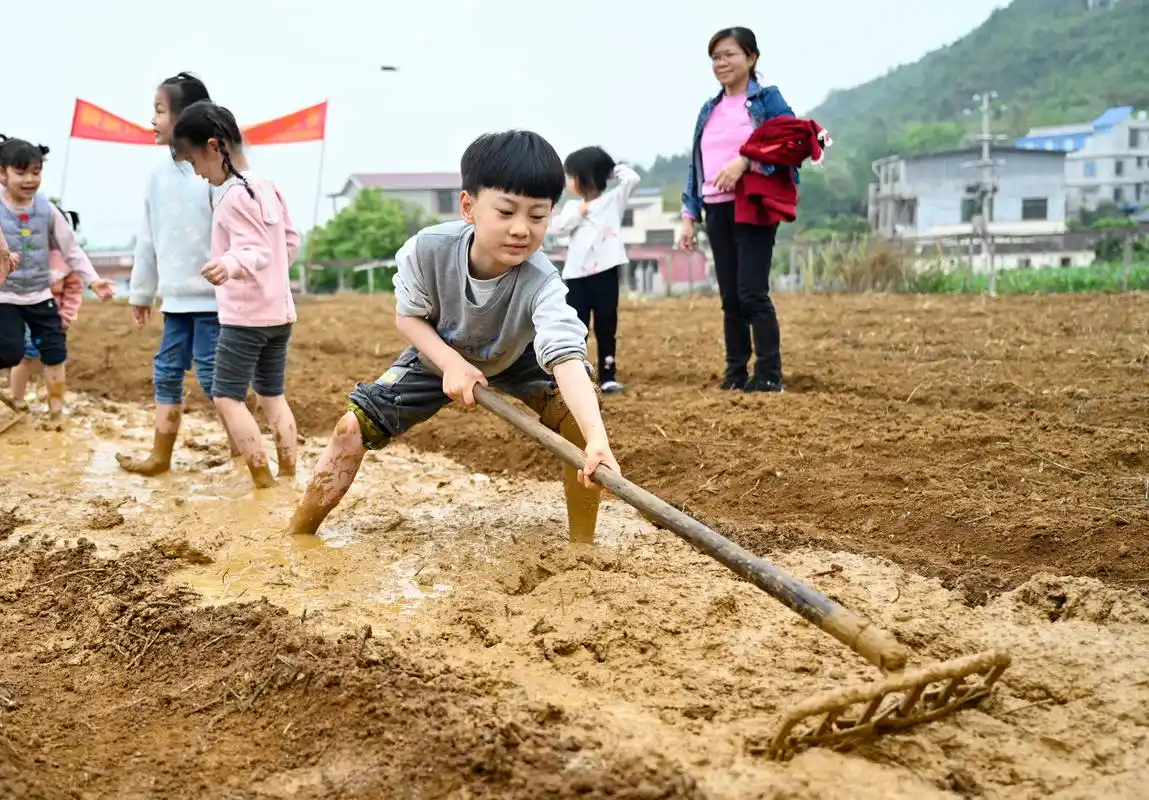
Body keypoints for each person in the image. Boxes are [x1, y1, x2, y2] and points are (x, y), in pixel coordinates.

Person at [285, 130, 620, 539]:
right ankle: (298, 537)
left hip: (519, 357)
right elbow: (408, 318)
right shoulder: (427, 251)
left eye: (537, 216)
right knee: (350, 429)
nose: (521, 229)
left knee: (577, 421)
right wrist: (451, 363)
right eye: (506, 212)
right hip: (439, 351)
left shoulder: (543, 282)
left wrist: (597, 439)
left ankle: (582, 547)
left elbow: (567, 356)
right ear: (468, 206)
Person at [171, 100, 300, 489]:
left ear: (213, 147)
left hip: (245, 319)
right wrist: (272, 277)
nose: (198, 175)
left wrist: (229, 265)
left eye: (194, 164)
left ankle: (262, 481)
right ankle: (290, 476)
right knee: (272, 396)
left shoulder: (231, 196)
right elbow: (287, 242)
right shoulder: (267, 186)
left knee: (227, 396)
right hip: (279, 314)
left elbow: (254, 250)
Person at [118, 72, 236, 477]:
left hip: (214, 302)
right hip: (176, 302)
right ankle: (160, 457)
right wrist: (141, 293)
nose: (152, 119)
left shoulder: (215, 175)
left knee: (213, 378)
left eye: (160, 110)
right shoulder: (156, 177)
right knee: (165, 373)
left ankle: (245, 452)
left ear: (188, 118)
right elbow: (148, 238)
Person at [678, 26, 794, 393]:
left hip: (753, 206)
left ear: (751, 58)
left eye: (729, 54)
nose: (722, 62)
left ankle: (769, 374)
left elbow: (791, 140)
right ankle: (735, 373)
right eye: (716, 57)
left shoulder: (767, 100)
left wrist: (745, 162)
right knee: (730, 297)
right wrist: (688, 216)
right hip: (715, 208)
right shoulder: (708, 109)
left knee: (751, 292)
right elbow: (696, 163)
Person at [0, 136, 114, 417]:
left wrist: (93, 280)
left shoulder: (47, 210)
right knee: (12, 352)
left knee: (55, 351)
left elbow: (71, 249)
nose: (29, 179)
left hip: (40, 294)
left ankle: (56, 411)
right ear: (2, 173)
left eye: (36, 172)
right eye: (21, 172)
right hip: (5, 296)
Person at [548, 146, 640, 394]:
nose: (567, 181)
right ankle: (577, 373)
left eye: (570, 175)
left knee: (606, 324)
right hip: (576, 276)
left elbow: (632, 178)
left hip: (606, 273)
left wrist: (608, 170)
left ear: (584, 177)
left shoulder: (613, 201)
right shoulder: (572, 208)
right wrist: (581, 210)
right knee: (577, 326)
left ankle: (608, 375)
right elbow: (557, 227)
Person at [8, 208, 85, 409]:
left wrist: (66, 317)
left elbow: (74, 291)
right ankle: (17, 401)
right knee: (25, 357)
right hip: (26, 315)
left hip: (54, 319)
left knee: (55, 360)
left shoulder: (68, 259)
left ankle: (56, 409)